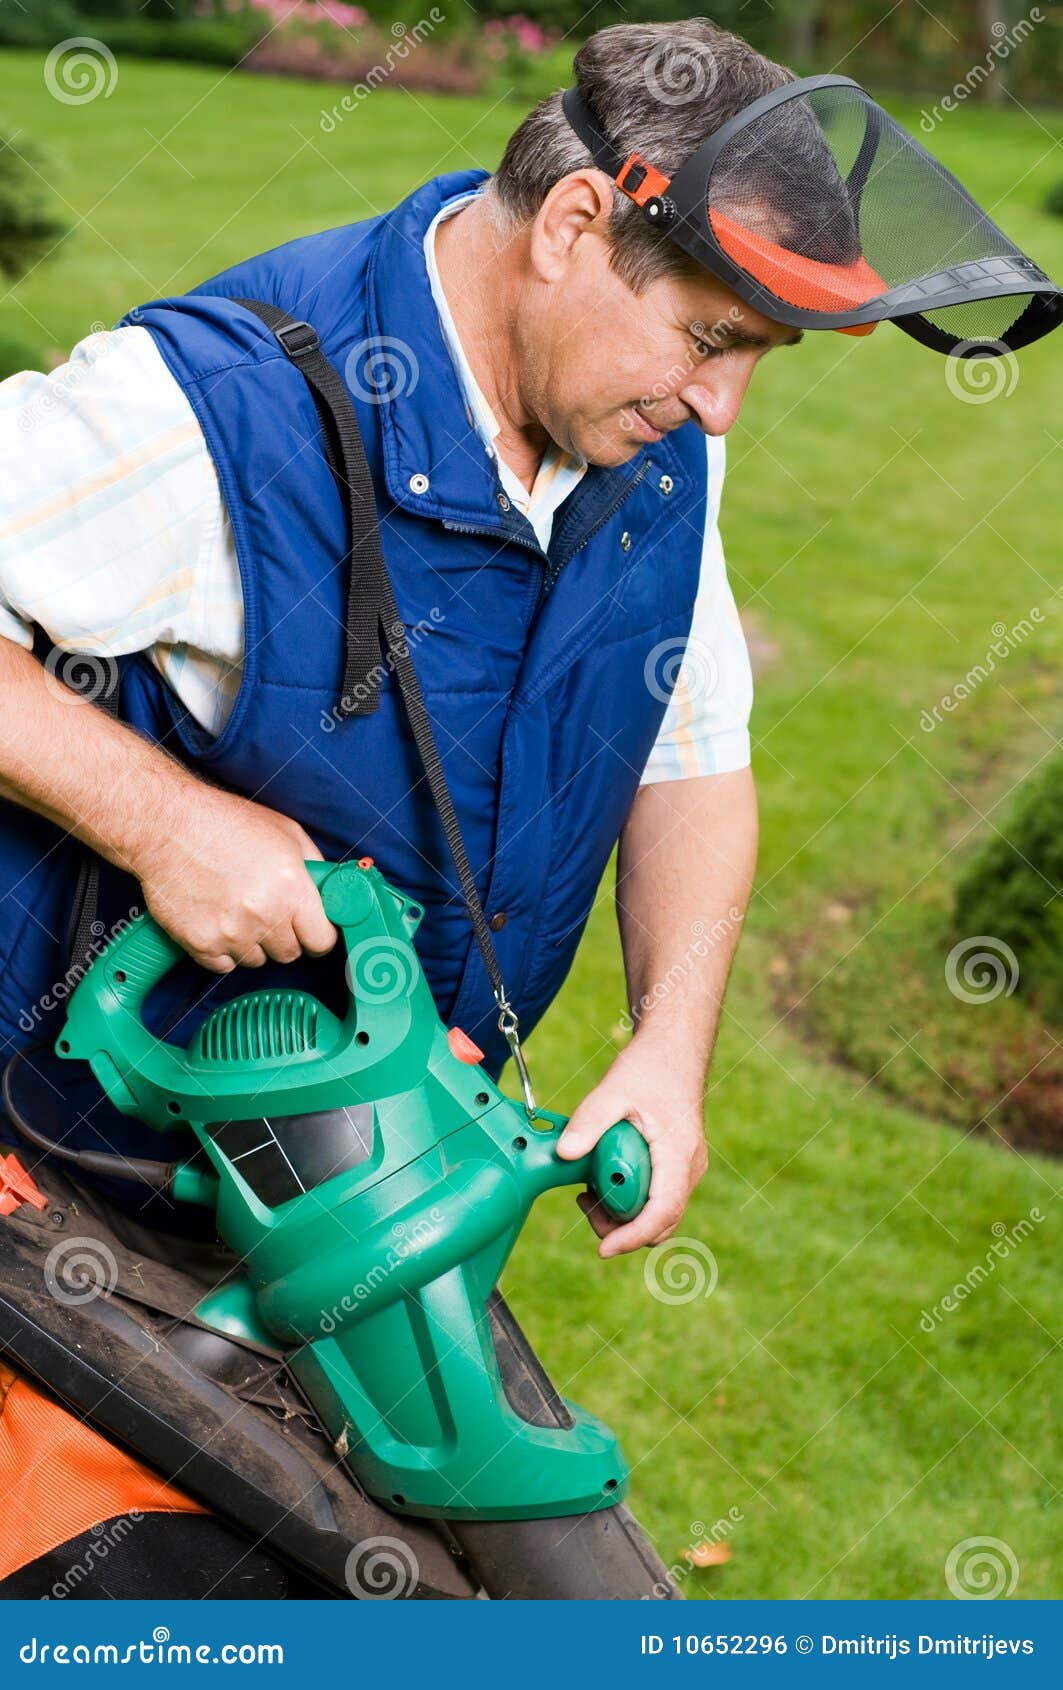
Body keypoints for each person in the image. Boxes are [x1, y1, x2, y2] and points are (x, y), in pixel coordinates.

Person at [0, 17, 1057, 1597]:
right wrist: (163, 820)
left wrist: (671, 1044)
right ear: (575, 228)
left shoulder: (642, 456)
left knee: (594, 1618)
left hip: (368, 1205)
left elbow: (693, 750)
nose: (723, 415)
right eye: (713, 340)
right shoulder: (211, 414)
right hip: (65, 1202)